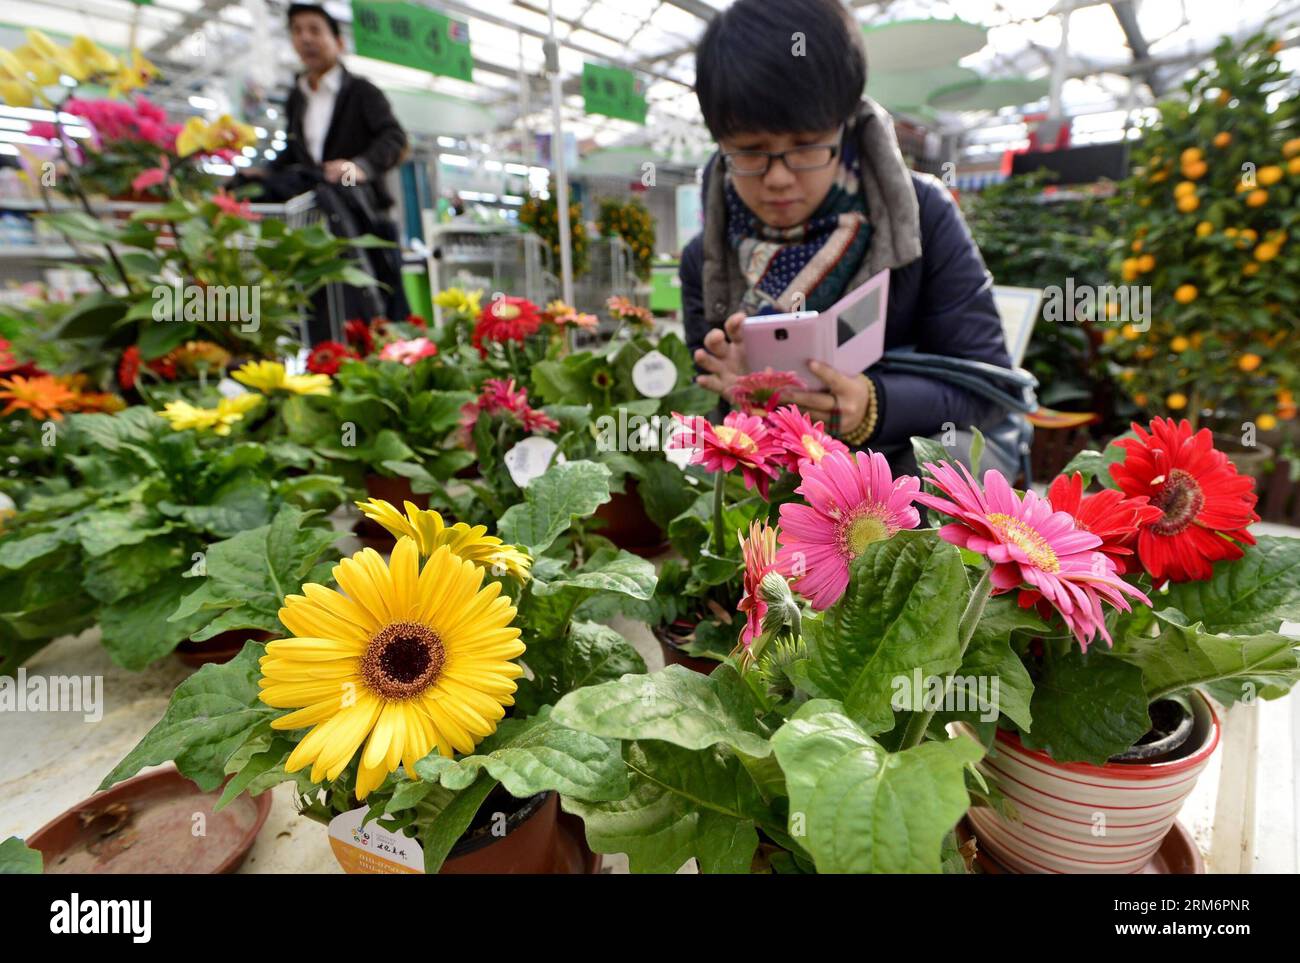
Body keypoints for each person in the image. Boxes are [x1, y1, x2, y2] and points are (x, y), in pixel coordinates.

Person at [681, 0, 1019, 477]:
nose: (778, 179)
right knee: (691, 471)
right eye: (750, 152)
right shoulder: (705, 258)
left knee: (949, 464)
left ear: (843, 123)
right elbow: (702, 394)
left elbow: (989, 391)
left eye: (804, 146)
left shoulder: (923, 216)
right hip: (775, 473)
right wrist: (731, 395)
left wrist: (871, 406)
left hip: (894, 467)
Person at [248, 3, 410, 334]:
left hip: (360, 213)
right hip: (318, 221)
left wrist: (358, 167)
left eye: (314, 30)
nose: (305, 38)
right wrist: (263, 173)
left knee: (371, 305)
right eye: (297, 31)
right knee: (324, 304)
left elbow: (394, 138)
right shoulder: (297, 96)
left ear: (338, 42)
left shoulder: (361, 92)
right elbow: (296, 151)